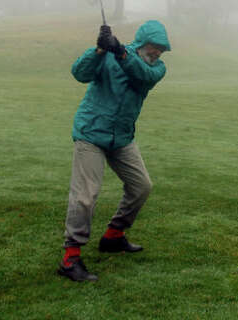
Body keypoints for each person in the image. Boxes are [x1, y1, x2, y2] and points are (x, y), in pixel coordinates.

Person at [56, 19, 171, 282]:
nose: (157, 52)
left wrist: (117, 50)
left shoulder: (156, 68)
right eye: (154, 47)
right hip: (91, 133)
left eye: (161, 49)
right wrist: (98, 50)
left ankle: (113, 236)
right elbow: (80, 73)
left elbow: (140, 74)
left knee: (141, 186)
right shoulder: (109, 54)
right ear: (142, 43)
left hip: (121, 138)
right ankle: (70, 258)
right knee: (85, 195)